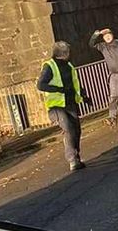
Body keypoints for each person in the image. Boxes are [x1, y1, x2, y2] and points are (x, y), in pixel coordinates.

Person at [37, 41, 87, 171]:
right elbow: (41, 85)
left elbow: (74, 83)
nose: (70, 54)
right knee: (68, 129)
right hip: (57, 106)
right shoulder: (49, 66)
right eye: (68, 52)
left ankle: (76, 156)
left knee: (76, 130)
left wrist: (83, 94)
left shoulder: (69, 65)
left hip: (70, 102)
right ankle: (72, 160)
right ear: (63, 53)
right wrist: (59, 89)